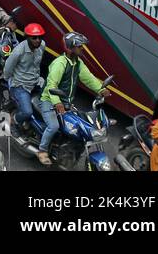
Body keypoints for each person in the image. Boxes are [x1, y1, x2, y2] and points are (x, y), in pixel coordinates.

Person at [36, 32, 107, 165]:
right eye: (79, 46)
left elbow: (88, 78)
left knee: (79, 124)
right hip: (49, 100)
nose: (82, 49)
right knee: (53, 126)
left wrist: (100, 89)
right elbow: (52, 85)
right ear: (70, 47)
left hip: (66, 102)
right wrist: (57, 102)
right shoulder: (60, 63)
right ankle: (42, 150)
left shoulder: (77, 63)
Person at [3, 23, 47, 137]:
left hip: (36, 81)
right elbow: (8, 68)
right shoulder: (18, 51)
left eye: (40, 37)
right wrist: (10, 83)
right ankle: (13, 122)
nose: (38, 40)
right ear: (27, 37)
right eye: (34, 38)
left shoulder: (42, 45)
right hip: (21, 85)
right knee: (27, 112)